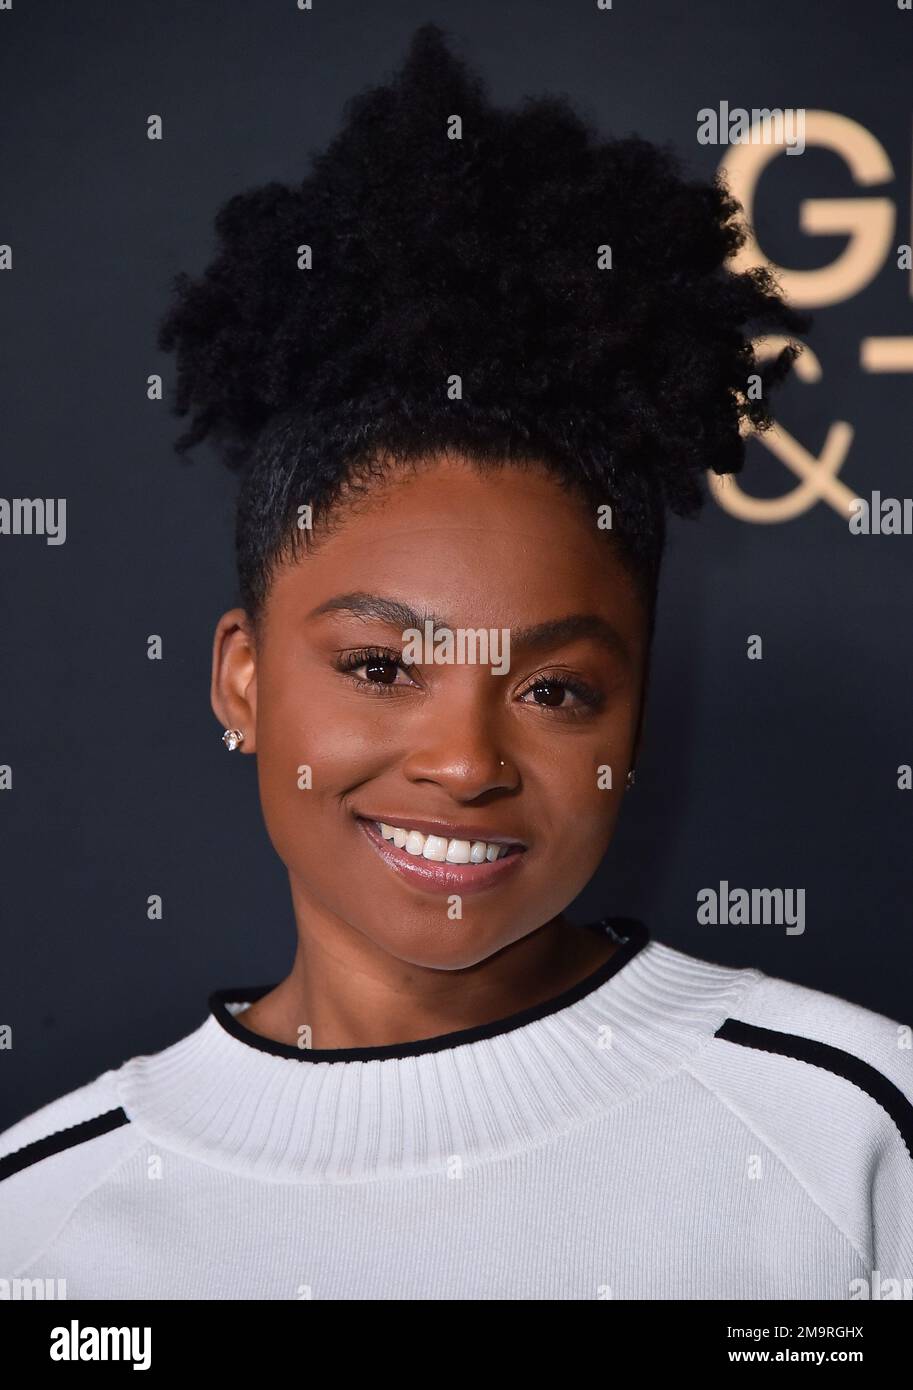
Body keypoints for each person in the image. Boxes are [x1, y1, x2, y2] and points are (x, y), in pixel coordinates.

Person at [2, 23, 910, 1300]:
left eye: (554, 690)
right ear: (242, 679)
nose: (464, 762)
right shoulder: (41, 1227)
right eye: (380, 666)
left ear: (637, 720)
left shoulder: (855, 1134)